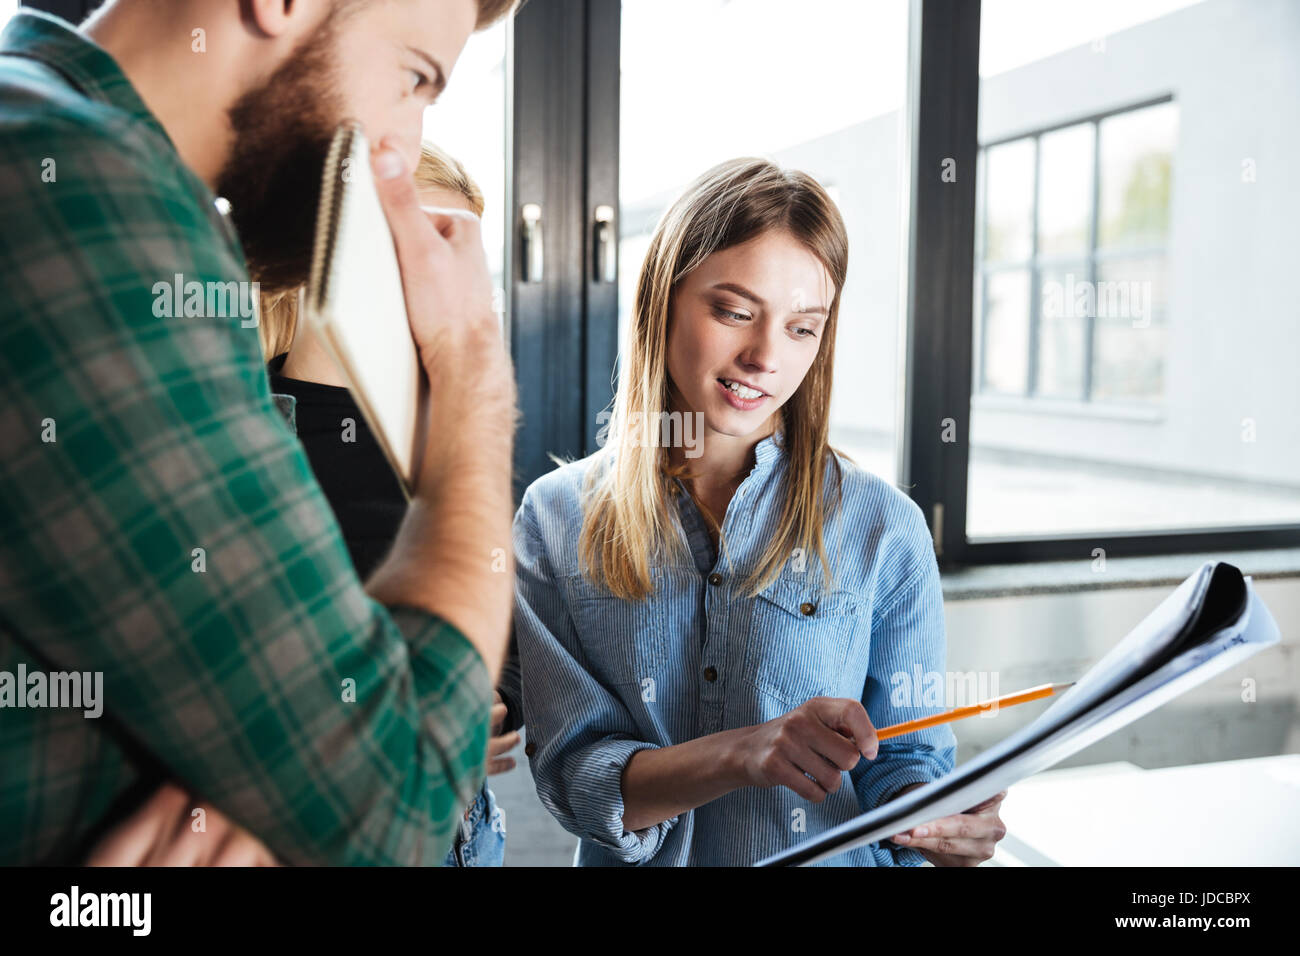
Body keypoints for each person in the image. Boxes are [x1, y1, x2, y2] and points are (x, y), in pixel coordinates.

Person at [0, 0, 519, 865]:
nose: (401, 141)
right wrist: (473, 377)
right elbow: (403, 806)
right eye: (414, 78)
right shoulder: (87, 194)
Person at [513, 157, 1008, 866]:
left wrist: (940, 828)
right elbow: (576, 782)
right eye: (735, 312)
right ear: (664, 300)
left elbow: (907, 761)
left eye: (803, 327)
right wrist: (742, 752)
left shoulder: (884, 527)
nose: (764, 356)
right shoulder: (554, 519)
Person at [260, 142, 522, 867]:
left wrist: (497, 704)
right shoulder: (254, 436)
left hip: (462, 827)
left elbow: (497, 617)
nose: (458, 288)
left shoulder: (445, 432)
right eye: (434, 243)